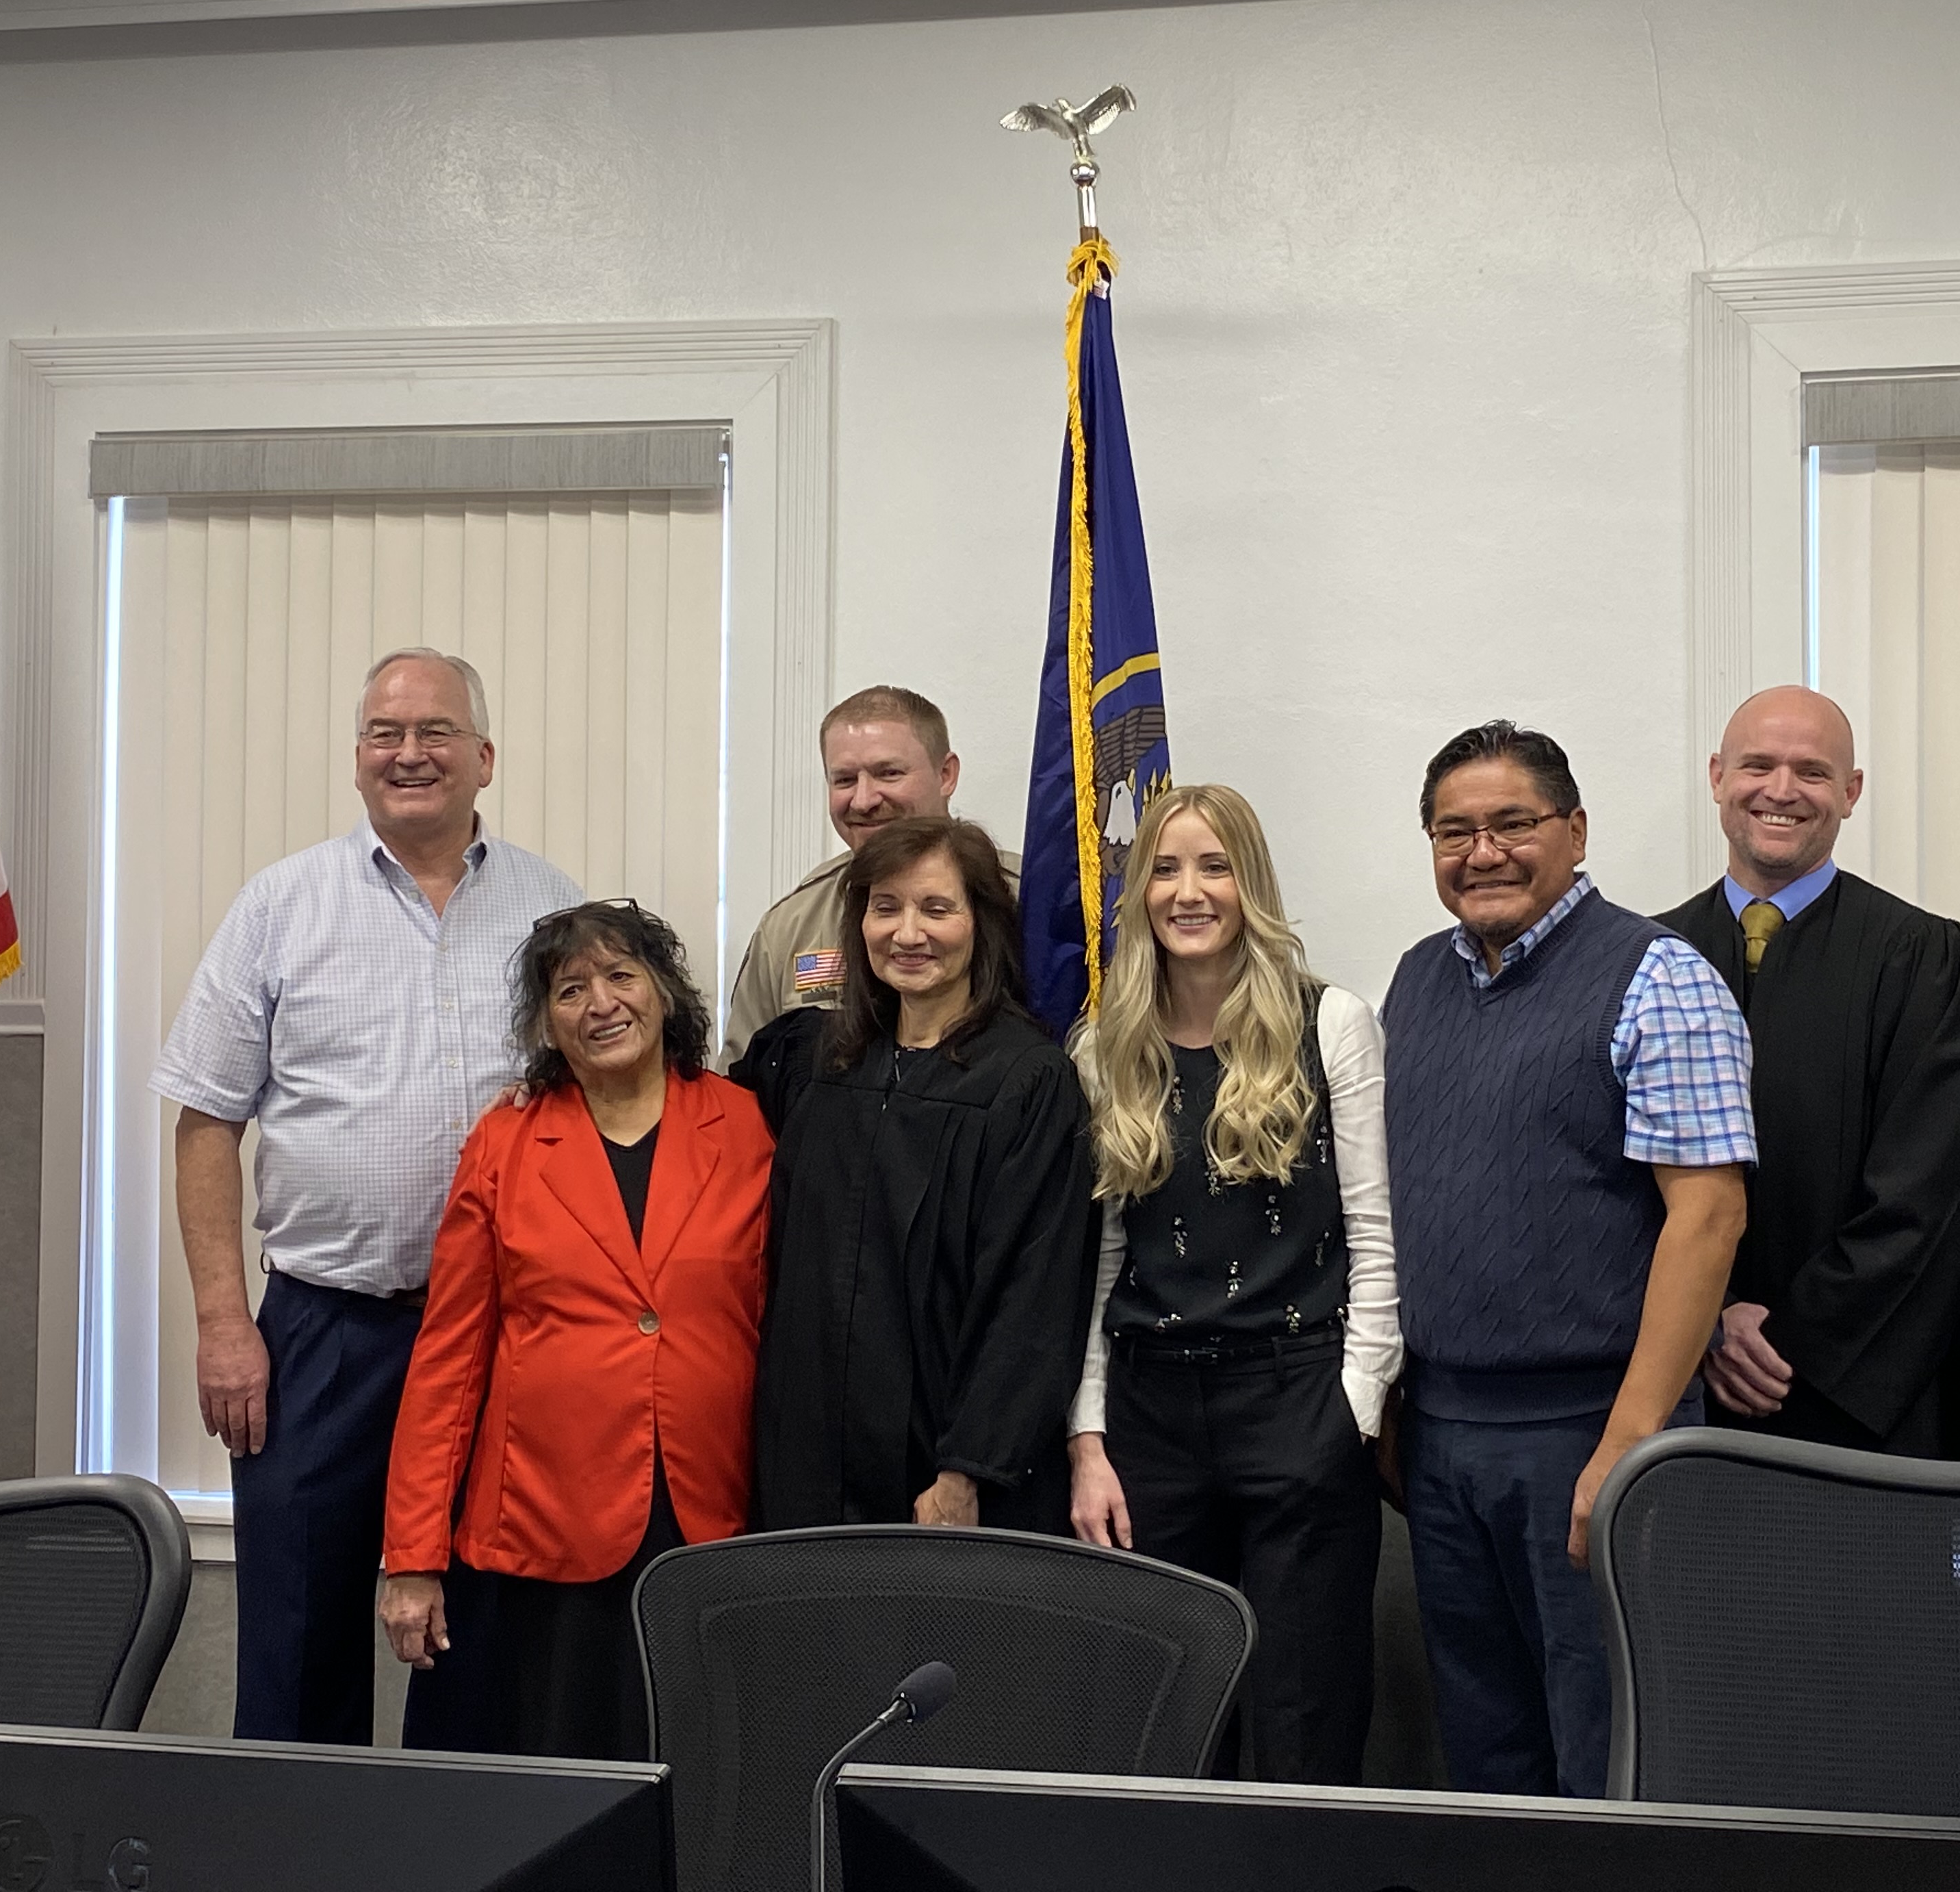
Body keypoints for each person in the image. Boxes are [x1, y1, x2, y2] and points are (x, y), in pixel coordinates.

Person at [149, 648, 579, 1745]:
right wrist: (221, 1326)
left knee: (483, 1649)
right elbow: (206, 1121)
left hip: (499, 1339)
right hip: (320, 1337)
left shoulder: (555, 913)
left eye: (435, 732)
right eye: (386, 734)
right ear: (357, 762)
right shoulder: (279, 908)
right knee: (297, 1650)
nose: (409, 754)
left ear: (485, 758)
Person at [1383, 720, 1753, 1799]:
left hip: (1592, 1430)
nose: (1483, 852)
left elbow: (1709, 1220)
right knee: (1486, 1749)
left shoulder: (1659, 978)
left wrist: (1628, 1442)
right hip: (1447, 1439)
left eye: (1513, 824)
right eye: (1455, 831)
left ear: (1575, 830)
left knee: (1612, 1756)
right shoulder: (1416, 981)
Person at [379, 901, 771, 1761]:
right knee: (559, 1783)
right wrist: (411, 1555)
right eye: (571, 989)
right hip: (545, 1529)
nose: (602, 1003)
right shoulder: (506, 1142)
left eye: (623, 976)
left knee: (698, 1783)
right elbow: (447, 1363)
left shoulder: (745, 1126)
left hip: (708, 1514)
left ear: (665, 994)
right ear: (545, 1024)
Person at [1064, 785, 1401, 1785]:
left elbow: (1378, 1236)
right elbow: (1095, 1268)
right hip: (1149, 1416)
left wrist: (1356, 1407)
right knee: (1166, 1712)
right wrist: (1088, 1439)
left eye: (1214, 867)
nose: (1189, 891)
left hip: (1297, 1393)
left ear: (1250, 885)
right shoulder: (1101, 1045)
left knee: (1305, 1709)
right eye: (1165, 870)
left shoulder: (1331, 1022)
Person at [1657, 687, 1960, 1457]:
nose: (1781, 790)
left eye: (1812, 772)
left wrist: (1782, 1339)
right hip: (1680, 1392)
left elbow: (1928, 1198)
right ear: (1717, 776)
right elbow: (1615, 1189)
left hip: (1855, 1401)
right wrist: (1709, 1320)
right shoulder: (1648, 959)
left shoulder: (1925, 962)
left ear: (1851, 793)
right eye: (1757, 765)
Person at [732, 817, 1098, 1533]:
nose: (907, 933)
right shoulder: (813, 1060)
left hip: (940, 1476)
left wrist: (968, 1470)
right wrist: (548, 1086)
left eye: (937, 908)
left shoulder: (1027, 1083)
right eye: (885, 907)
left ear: (982, 923)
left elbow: (1034, 1302)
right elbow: (676, 1105)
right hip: (803, 1461)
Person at [717, 686, 1021, 1063]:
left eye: (888, 773)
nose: (863, 800)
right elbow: (742, 1088)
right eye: (844, 780)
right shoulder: (791, 927)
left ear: (946, 774)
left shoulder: (1026, 899)